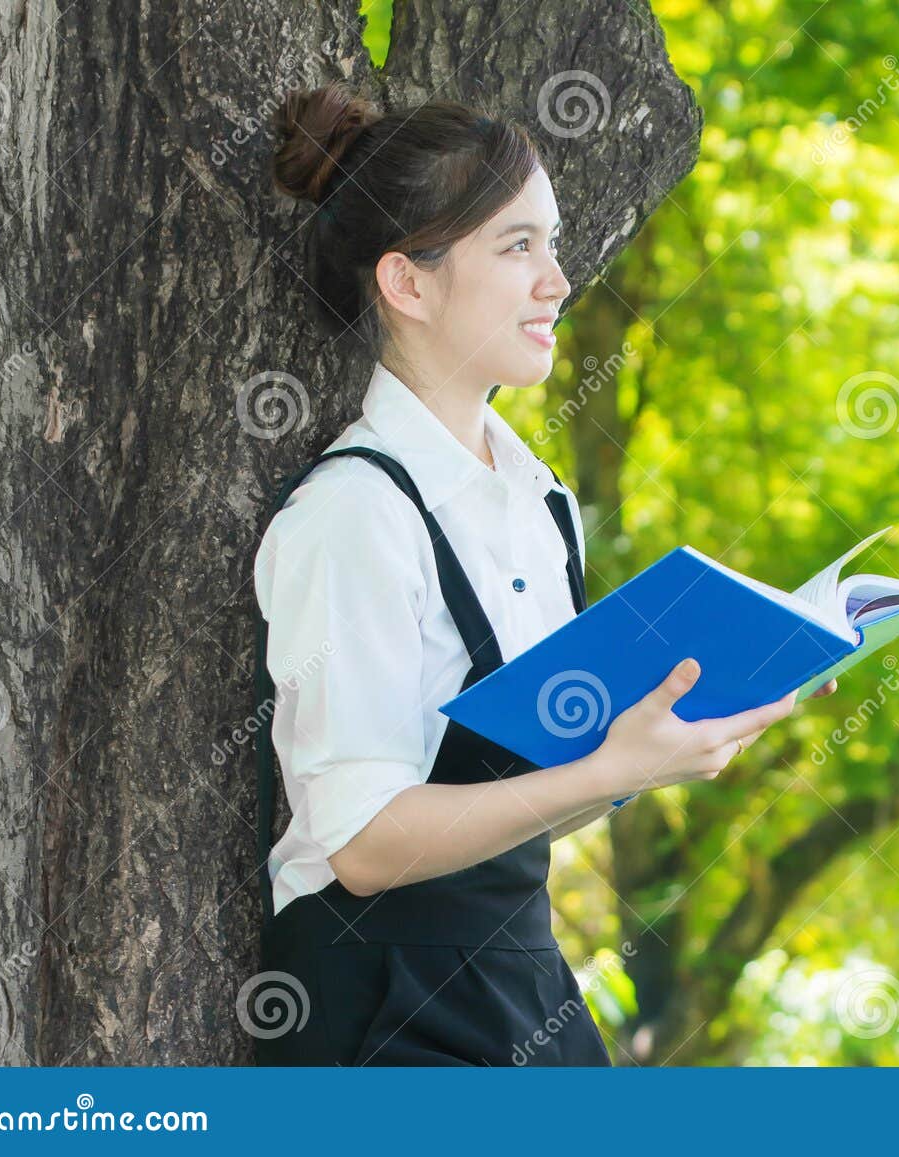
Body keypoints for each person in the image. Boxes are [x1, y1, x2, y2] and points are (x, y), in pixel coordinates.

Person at [250, 82, 834, 1066]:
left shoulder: (539, 500)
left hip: (521, 977)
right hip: (381, 1007)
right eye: (516, 245)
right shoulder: (354, 516)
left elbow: (546, 782)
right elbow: (362, 845)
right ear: (409, 283)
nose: (557, 281)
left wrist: (663, 742)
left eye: (550, 244)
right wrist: (613, 769)